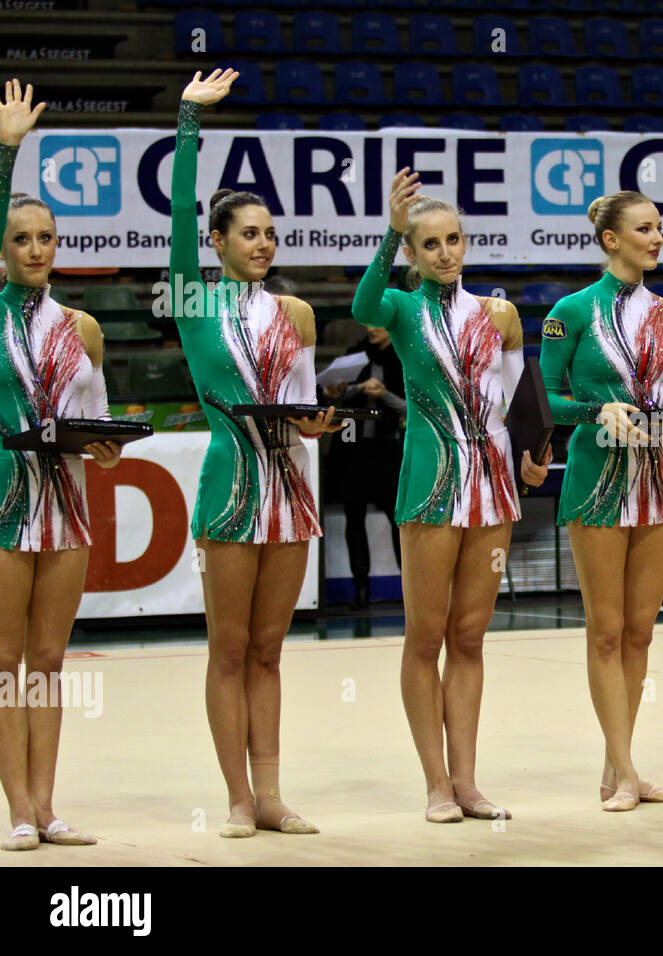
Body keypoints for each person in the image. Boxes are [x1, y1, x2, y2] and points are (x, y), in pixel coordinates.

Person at [170, 69, 343, 837]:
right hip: (230, 488)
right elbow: (177, 218)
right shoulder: (194, 302)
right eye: (249, 232)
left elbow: (301, 401)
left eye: (271, 233)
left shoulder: (295, 311)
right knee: (231, 648)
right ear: (217, 243)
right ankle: (236, 797)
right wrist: (187, 122)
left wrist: (314, 426)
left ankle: (271, 794)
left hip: (290, 490)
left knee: (271, 649)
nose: (264, 242)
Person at [351, 169, 550, 823]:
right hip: (432, 486)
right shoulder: (402, 311)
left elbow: (525, 398)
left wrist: (536, 452)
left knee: (469, 637)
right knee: (425, 637)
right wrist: (388, 231)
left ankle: (467, 781)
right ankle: (435, 783)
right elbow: (362, 306)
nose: (445, 253)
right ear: (412, 253)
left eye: (454, 240)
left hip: (492, 489)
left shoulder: (497, 314)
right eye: (429, 244)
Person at [540, 190, 663, 812]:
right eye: (643, 229)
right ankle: (625, 770)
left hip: (655, 483)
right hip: (596, 481)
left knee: (640, 632)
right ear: (611, 240)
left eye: (659, 227)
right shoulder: (570, 311)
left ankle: (619, 769)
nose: (656, 238)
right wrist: (595, 409)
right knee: (606, 631)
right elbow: (542, 401)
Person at [0, 79, 120, 851]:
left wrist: (106, 448)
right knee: (6, 662)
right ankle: (14, 810)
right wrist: (9, 150)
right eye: (21, 239)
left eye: (47, 238)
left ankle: (47, 804)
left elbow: (96, 425)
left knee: (48, 659)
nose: (39, 249)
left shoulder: (83, 327)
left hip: (66, 506)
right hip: (6, 502)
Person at [321, 324, 405, 609]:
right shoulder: (355, 354)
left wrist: (383, 395)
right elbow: (332, 397)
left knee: (400, 520)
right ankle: (361, 588)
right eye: (368, 322)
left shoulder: (405, 355)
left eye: (378, 322)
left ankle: (412, 586)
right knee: (353, 519)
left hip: (388, 449)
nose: (372, 328)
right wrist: (343, 391)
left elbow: (412, 407)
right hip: (353, 449)